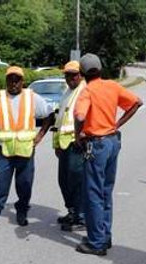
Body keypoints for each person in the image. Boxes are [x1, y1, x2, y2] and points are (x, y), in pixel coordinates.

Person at [73, 54, 142, 256]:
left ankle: (96, 242)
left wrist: (78, 134)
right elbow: (137, 102)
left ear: (83, 73)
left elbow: (79, 115)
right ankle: (104, 235)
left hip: (96, 145)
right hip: (112, 141)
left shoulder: (87, 91)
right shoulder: (112, 86)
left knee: (93, 194)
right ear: (100, 70)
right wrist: (117, 124)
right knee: (105, 191)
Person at [0, 66, 54, 228]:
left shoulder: (32, 97)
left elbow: (49, 115)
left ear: (22, 81)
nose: (14, 83)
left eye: (17, 79)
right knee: (0, 183)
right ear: (6, 81)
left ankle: (22, 211)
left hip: (25, 151)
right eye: (10, 79)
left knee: (25, 184)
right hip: (4, 152)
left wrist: (40, 135)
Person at [53, 61, 87, 231]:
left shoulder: (85, 91)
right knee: (64, 180)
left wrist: (82, 138)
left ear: (81, 75)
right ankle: (72, 211)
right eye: (67, 75)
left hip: (77, 144)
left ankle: (81, 217)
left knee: (77, 181)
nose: (70, 78)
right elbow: (59, 120)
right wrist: (56, 143)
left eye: (74, 75)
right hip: (64, 144)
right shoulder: (67, 92)